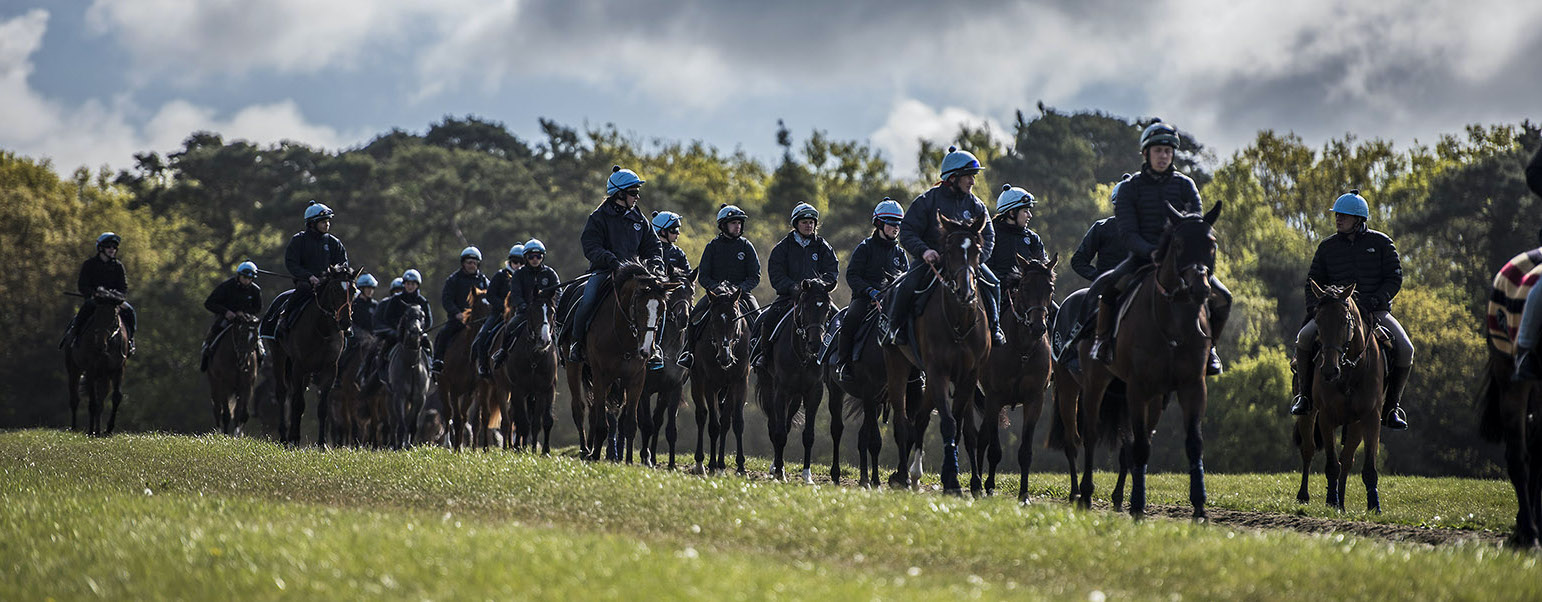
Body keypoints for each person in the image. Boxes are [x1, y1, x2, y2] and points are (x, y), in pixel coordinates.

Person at [1087, 119, 1229, 375]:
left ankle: (1211, 349)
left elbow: (1195, 226)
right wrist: (1151, 252)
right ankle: (1102, 341)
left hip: (1183, 262)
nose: (1163, 156)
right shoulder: (1130, 189)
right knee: (1109, 287)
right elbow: (1128, 233)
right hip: (1144, 258)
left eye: (1167, 151)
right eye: (1158, 151)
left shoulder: (1186, 185)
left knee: (1224, 298)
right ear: (1146, 153)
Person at [1288, 190, 1412, 430]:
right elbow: (1312, 282)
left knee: (1406, 349)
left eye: (1344, 215)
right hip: (1333, 314)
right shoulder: (1327, 247)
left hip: (1374, 311)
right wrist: (1316, 309)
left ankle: (1392, 408)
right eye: (1337, 215)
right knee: (1303, 338)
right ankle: (1304, 397)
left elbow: (1394, 279)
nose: (1338, 219)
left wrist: (1375, 300)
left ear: (1358, 219)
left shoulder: (1382, 243)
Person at [885, 146, 1003, 346]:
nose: (973, 181)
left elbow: (989, 237)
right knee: (908, 283)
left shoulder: (977, 205)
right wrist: (924, 251)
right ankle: (895, 328)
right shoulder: (927, 201)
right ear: (953, 177)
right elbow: (907, 231)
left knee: (994, 283)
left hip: (967, 262)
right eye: (968, 176)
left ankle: (995, 327)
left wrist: (975, 259)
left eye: (973, 176)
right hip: (932, 261)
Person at [568, 165, 664, 367]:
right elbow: (590, 246)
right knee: (588, 300)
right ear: (620, 194)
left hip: (637, 276)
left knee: (657, 303)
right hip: (606, 271)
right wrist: (610, 260)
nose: (637, 197)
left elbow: (653, 246)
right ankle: (576, 343)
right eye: (633, 192)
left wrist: (655, 265)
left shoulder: (639, 218)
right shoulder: (599, 217)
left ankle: (655, 349)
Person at [752, 202, 838, 368]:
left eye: (811, 222)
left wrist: (821, 284)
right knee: (768, 318)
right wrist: (793, 287)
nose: (809, 225)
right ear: (796, 224)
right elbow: (776, 274)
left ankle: (838, 359)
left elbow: (832, 270)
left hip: (817, 296)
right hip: (789, 297)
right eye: (804, 222)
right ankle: (764, 355)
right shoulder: (782, 247)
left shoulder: (823, 246)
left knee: (838, 319)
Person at [678, 204, 761, 369]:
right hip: (716, 296)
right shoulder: (712, 247)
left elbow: (755, 276)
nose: (738, 226)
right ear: (723, 225)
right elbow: (703, 276)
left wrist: (740, 289)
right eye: (733, 223)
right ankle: (689, 353)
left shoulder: (746, 246)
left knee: (759, 319)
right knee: (693, 317)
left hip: (741, 294)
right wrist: (715, 288)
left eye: (739, 223)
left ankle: (759, 354)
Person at [835, 199, 908, 382]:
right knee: (850, 319)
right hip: (865, 299)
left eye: (898, 224)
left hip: (893, 301)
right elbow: (852, 275)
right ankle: (843, 364)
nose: (896, 228)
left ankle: (917, 371)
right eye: (891, 224)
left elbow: (906, 280)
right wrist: (870, 291)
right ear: (879, 224)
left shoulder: (900, 253)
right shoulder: (865, 248)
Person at [262, 201, 349, 339]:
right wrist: (309, 276)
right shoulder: (299, 240)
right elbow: (291, 263)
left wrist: (334, 276)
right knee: (303, 289)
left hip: (328, 285)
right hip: (306, 283)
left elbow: (342, 264)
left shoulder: (334, 242)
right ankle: (284, 319)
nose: (327, 224)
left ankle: (347, 325)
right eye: (323, 222)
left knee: (345, 295)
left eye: (328, 221)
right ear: (312, 223)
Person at [64, 232, 138, 356]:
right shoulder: (89, 265)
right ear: (100, 248)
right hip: (95, 300)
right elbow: (82, 285)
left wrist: (116, 296)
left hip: (113, 301)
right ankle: (73, 336)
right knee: (83, 312)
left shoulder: (118, 266)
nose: (112, 249)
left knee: (130, 311)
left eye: (114, 247)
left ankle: (130, 341)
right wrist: (93, 294)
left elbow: (123, 287)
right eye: (109, 246)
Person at [491, 239, 561, 369]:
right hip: (525, 312)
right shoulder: (519, 274)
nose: (535, 259)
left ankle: (562, 355)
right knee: (510, 326)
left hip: (546, 312)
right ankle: (503, 352)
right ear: (526, 257)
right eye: (531, 256)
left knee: (557, 330)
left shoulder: (550, 273)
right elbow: (515, 293)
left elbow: (558, 293)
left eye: (538, 256)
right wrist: (522, 305)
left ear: (543, 257)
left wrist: (554, 306)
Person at [361, 269, 432, 393]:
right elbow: (387, 317)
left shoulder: (422, 301)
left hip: (416, 336)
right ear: (404, 284)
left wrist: (420, 331)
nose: (410, 286)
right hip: (397, 336)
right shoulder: (395, 300)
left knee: (429, 345)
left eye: (413, 284)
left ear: (417, 285)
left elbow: (429, 321)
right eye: (408, 284)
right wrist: (397, 330)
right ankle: (378, 371)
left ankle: (432, 369)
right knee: (382, 349)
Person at [434, 246, 490, 374]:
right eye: (469, 262)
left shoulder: (484, 281)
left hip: (479, 321)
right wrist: (456, 313)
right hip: (458, 320)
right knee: (443, 334)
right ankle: (437, 361)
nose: (472, 265)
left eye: (474, 263)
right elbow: (447, 300)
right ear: (463, 263)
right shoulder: (453, 280)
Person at [199, 260, 264, 370]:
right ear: (239, 276)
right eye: (244, 277)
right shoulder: (226, 286)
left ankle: (260, 356)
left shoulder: (255, 290)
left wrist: (244, 313)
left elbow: (258, 308)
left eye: (250, 278)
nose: (247, 280)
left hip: (246, 320)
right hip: (227, 318)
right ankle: (206, 351)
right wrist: (226, 312)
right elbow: (209, 303)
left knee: (255, 336)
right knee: (216, 330)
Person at [473, 243, 525, 378]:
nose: (518, 265)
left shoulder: (527, 277)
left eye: (522, 262)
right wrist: (504, 307)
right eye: (515, 262)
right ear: (510, 261)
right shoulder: (500, 276)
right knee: (483, 335)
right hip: (499, 314)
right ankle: (483, 366)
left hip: (522, 314)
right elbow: (490, 295)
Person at [1071, 174, 1133, 282]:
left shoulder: (1147, 229)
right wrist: (1099, 277)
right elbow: (1078, 260)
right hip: (1107, 285)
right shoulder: (1101, 228)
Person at [987, 184, 1046, 274]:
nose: (1030, 215)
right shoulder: (991, 236)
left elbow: (1044, 268)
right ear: (1012, 213)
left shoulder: (1033, 238)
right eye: (1025, 211)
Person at [653, 211, 691, 276]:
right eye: (674, 229)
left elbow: (688, 274)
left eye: (678, 229)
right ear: (663, 232)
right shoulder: (650, 250)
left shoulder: (678, 253)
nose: (678, 233)